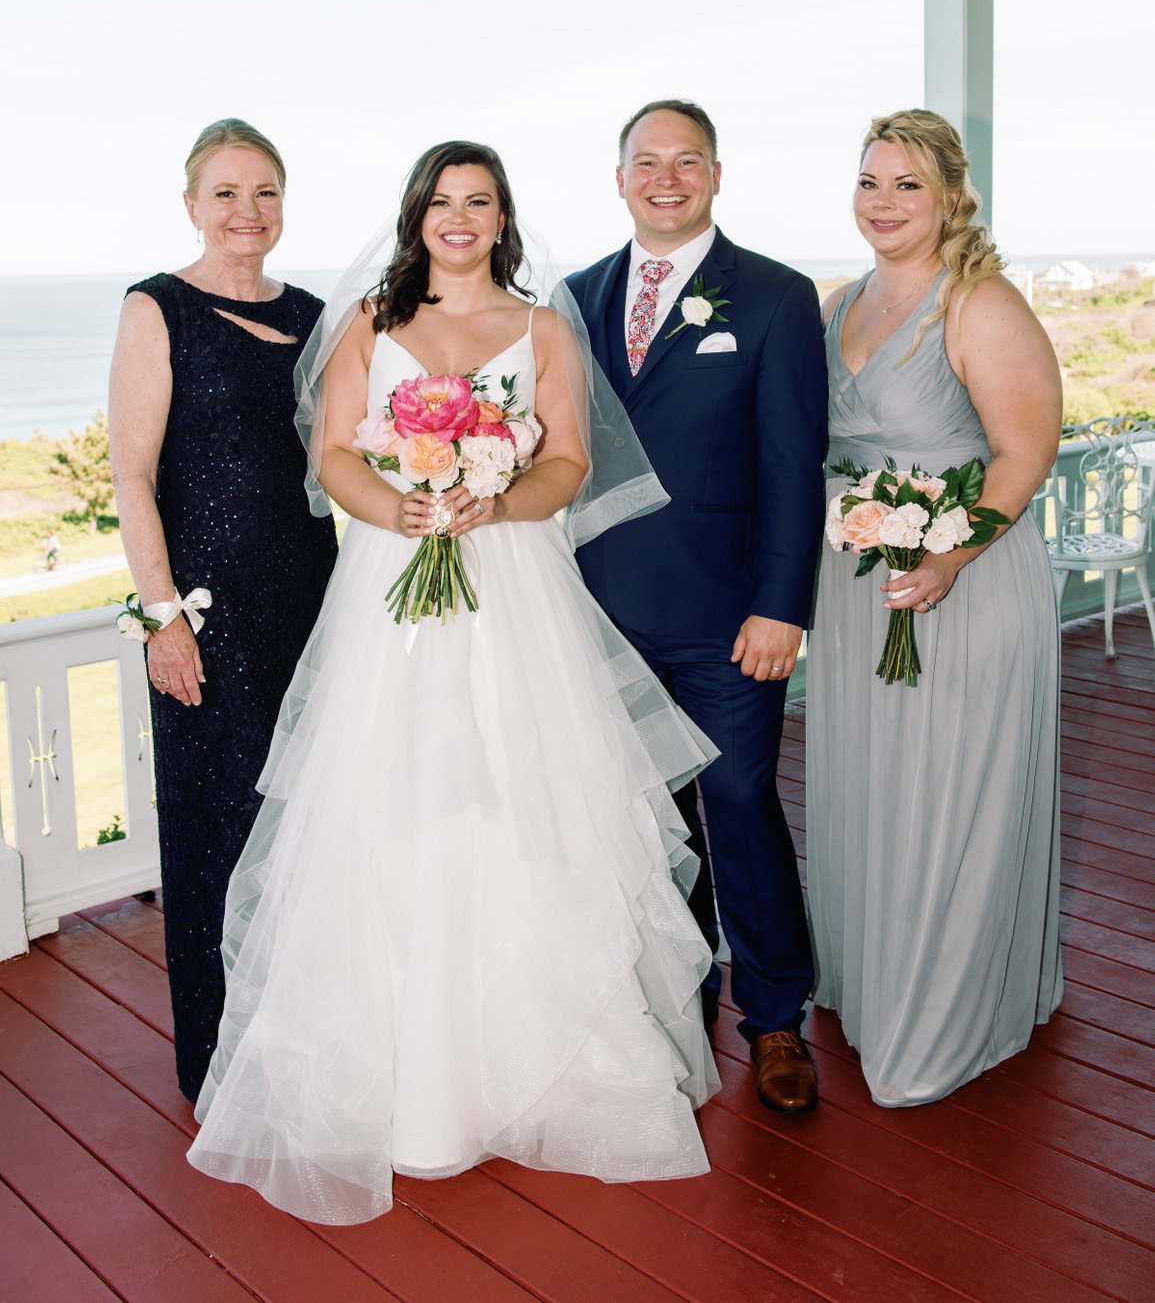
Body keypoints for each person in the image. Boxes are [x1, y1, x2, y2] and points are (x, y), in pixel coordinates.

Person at [186, 141, 719, 1224]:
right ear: (416, 215)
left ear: (504, 217)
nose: (459, 217)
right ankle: (404, 1087)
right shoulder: (371, 326)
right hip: (395, 586)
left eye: (479, 201)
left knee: (527, 802)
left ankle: (544, 1070)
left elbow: (567, 458)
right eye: (442, 201)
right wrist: (405, 509)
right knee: (392, 809)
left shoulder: (544, 329)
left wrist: (496, 500)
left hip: (512, 585)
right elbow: (335, 450)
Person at [566, 100, 829, 1114]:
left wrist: (782, 607)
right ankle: (679, 1004)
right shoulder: (577, 296)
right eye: (646, 161)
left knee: (738, 802)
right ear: (619, 175)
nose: (664, 177)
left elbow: (793, 469)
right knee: (643, 817)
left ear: (716, 174)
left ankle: (773, 1019)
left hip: (731, 621)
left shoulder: (771, 295)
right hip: (603, 613)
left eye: (686, 161)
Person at [806, 108, 1063, 1107]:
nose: (883, 202)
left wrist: (951, 552)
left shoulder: (981, 304)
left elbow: (1025, 453)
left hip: (966, 578)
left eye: (907, 183)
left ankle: (945, 1010)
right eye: (869, 181)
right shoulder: (839, 304)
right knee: (876, 782)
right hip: (859, 584)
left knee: (950, 787)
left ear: (954, 195)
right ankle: (872, 981)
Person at [108, 118, 338, 1102]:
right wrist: (162, 613)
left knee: (313, 822)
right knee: (222, 827)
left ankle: (316, 1038)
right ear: (193, 203)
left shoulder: (322, 315)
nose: (248, 212)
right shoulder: (155, 307)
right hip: (207, 616)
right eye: (228, 192)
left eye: (266, 192)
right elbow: (131, 470)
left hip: (316, 604)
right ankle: (227, 1060)